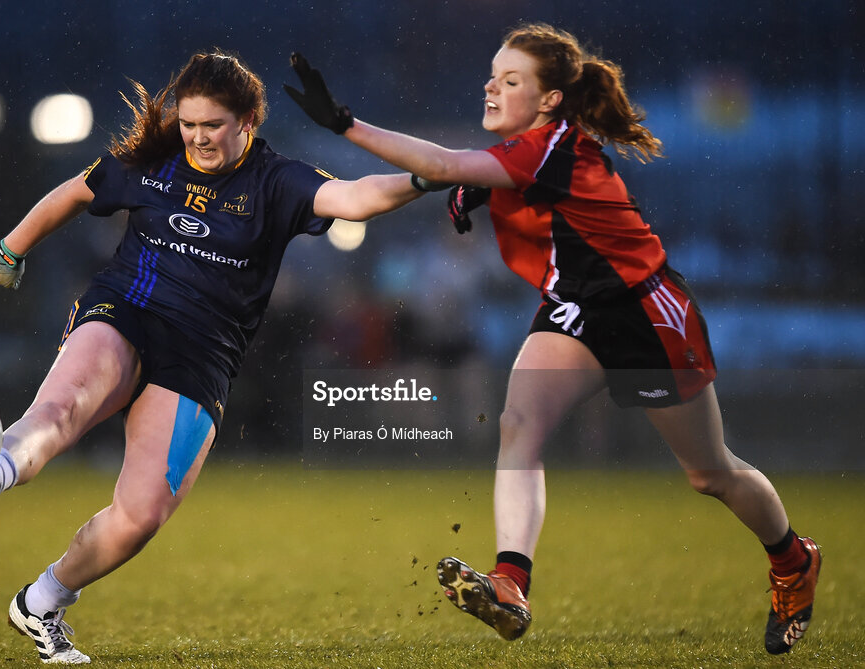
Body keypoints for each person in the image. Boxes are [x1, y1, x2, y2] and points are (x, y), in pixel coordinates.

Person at [284, 24, 820, 656]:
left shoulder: (549, 148)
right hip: (574, 311)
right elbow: (477, 176)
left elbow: (445, 164)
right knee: (519, 425)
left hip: (644, 314)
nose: (491, 86)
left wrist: (345, 124)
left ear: (549, 101)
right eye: (492, 74)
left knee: (710, 474)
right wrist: (475, 186)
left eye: (511, 81)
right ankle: (510, 583)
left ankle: (793, 561)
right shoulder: (526, 151)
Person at [0, 49, 426, 664]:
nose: (198, 137)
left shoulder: (276, 181)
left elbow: (357, 199)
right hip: (127, 309)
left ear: (247, 122)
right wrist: (10, 248)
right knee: (61, 410)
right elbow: (73, 192)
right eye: (189, 123)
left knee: (141, 515)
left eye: (213, 125)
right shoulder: (149, 163)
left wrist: (424, 177)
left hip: (203, 351)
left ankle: (42, 600)